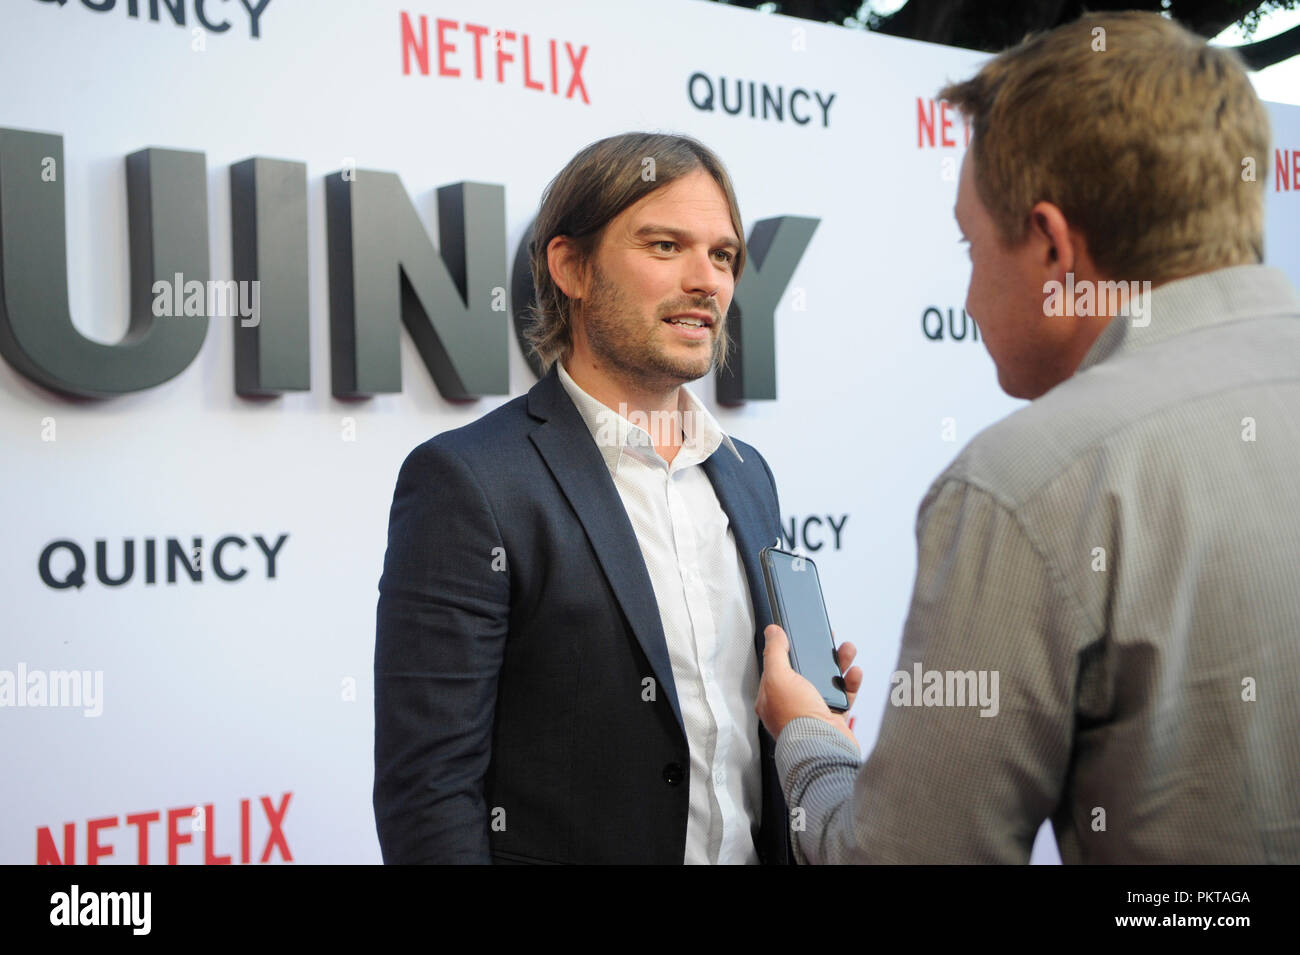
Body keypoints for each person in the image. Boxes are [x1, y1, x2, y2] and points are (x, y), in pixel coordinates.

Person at [756, 10, 1300, 863]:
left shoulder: (1036, 482)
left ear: (1051, 245)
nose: (968, 299)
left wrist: (811, 741)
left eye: (970, 246)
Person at [374, 132, 798, 863]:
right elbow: (430, 795)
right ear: (569, 266)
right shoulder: (470, 482)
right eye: (666, 246)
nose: (707, 280)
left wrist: (806, 709)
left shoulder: (746, 471)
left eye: (723, 255)